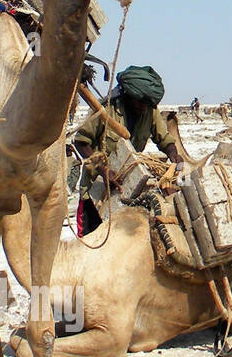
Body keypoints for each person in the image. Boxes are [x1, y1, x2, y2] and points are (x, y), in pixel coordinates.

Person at [72, 65, 182, 235]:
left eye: (148, 104)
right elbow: (81, 143)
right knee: (90, 245)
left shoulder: (149, 110)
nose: (144, 108)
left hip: (128, 192)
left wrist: (174, 154)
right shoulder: (105, 109)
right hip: (96, 192)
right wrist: (103, 170)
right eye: (140, 102)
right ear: (128, 95)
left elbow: (164, 139)